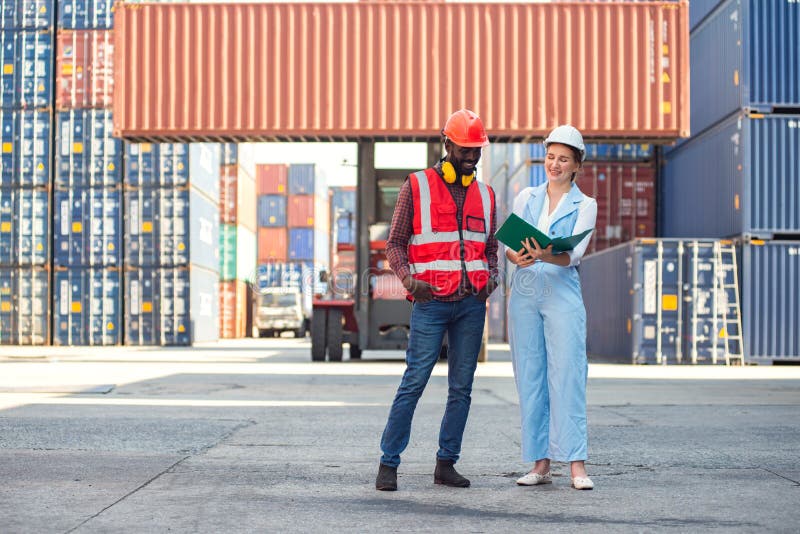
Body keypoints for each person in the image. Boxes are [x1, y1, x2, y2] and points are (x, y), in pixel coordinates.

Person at [375, 109, 499, 491]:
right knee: (414, 381)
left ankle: (446, 463)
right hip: (429, 303)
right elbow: (394, 243)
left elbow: (490, 247)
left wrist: (491, 277)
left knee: (462, 387)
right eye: (464, 149)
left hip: (471, 305)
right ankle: (388, 464)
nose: (471, 157)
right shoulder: (417, 186)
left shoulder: (486, 194)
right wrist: (410, 280)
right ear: (446, 144)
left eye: (477, 150)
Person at [506, 125, 598, 490]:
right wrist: (518, 256)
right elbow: (510, 248)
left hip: (561, 292)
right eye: (550, 157)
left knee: (569, 376)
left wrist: (546, 253)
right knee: (530, 377)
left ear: (576, 165)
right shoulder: (525, 197)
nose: (554, 164)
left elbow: (573, 255)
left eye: (563, 159)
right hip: (525, 291)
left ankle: (577, 465)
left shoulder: (585, 205)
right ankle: (539, 463)